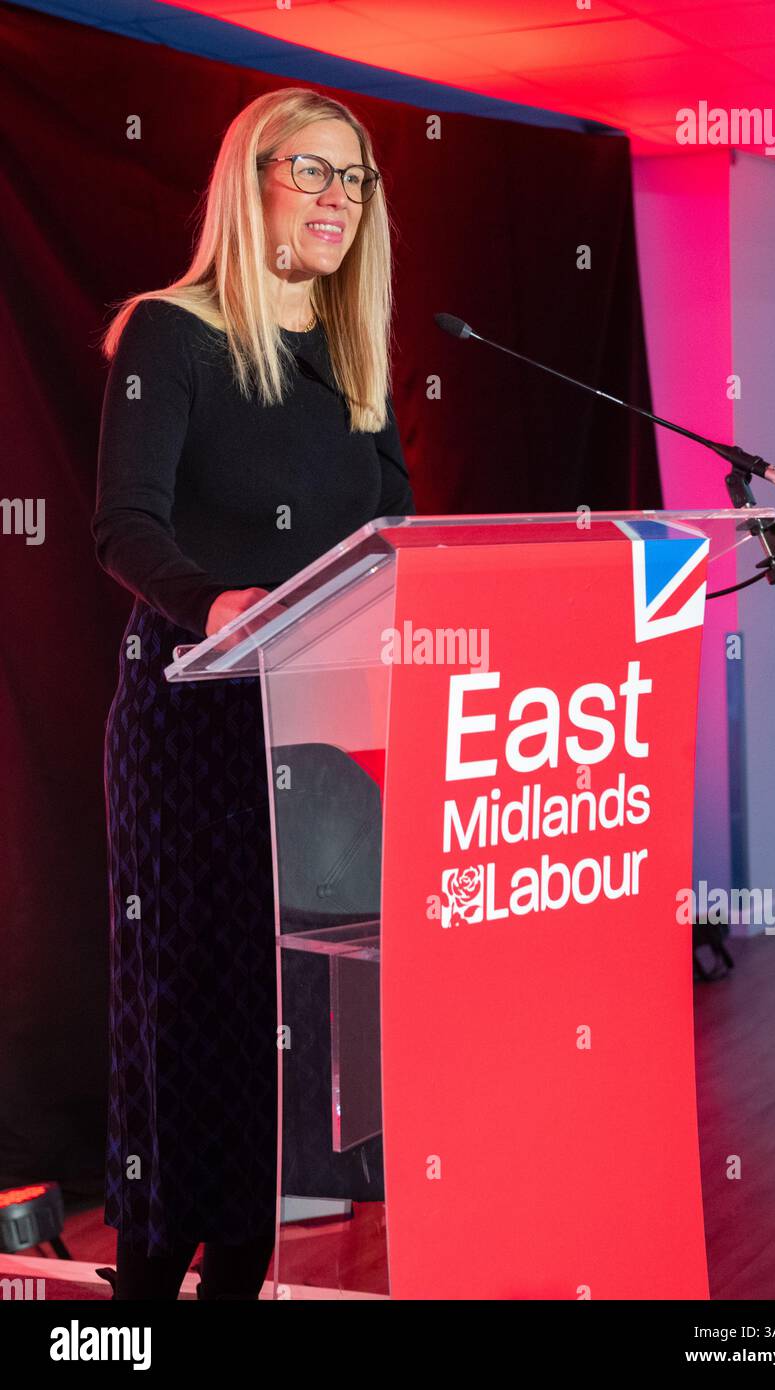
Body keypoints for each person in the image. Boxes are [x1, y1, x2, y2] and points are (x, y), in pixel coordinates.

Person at [91, 86, 415, 1301]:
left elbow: (393, 536)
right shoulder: (170, 334)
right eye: (312, 172)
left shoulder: (354, 357)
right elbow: (124, 527)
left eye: (356, 179)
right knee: (198, 1038)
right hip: (200, 730)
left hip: (326, 734)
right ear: (252, 179)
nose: (338, 199)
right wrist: (227, 608)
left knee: (282, 1053)